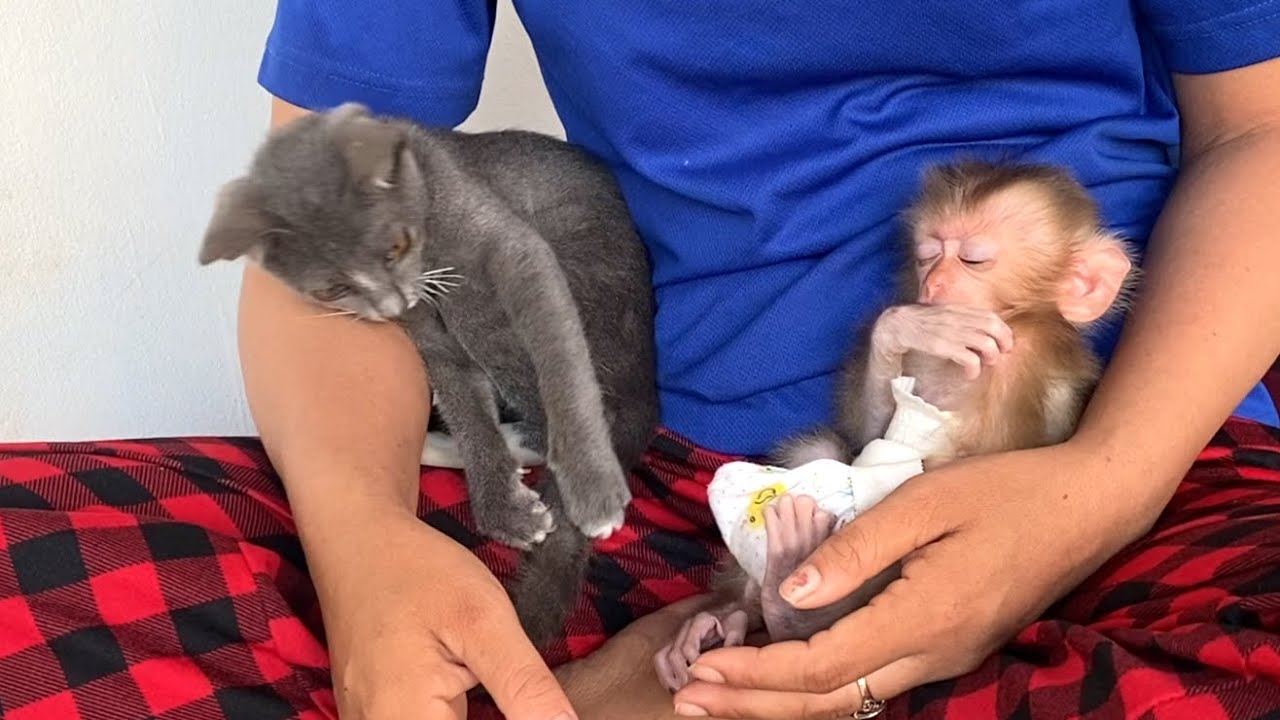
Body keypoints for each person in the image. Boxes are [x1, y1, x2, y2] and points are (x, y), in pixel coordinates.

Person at [1, 2, 1279, 720]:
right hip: (671, 490)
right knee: (29, 571)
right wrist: (361, 546)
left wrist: (1101, 484)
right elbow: (319, 222)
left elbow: (1259, 130)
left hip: (1133, 455)